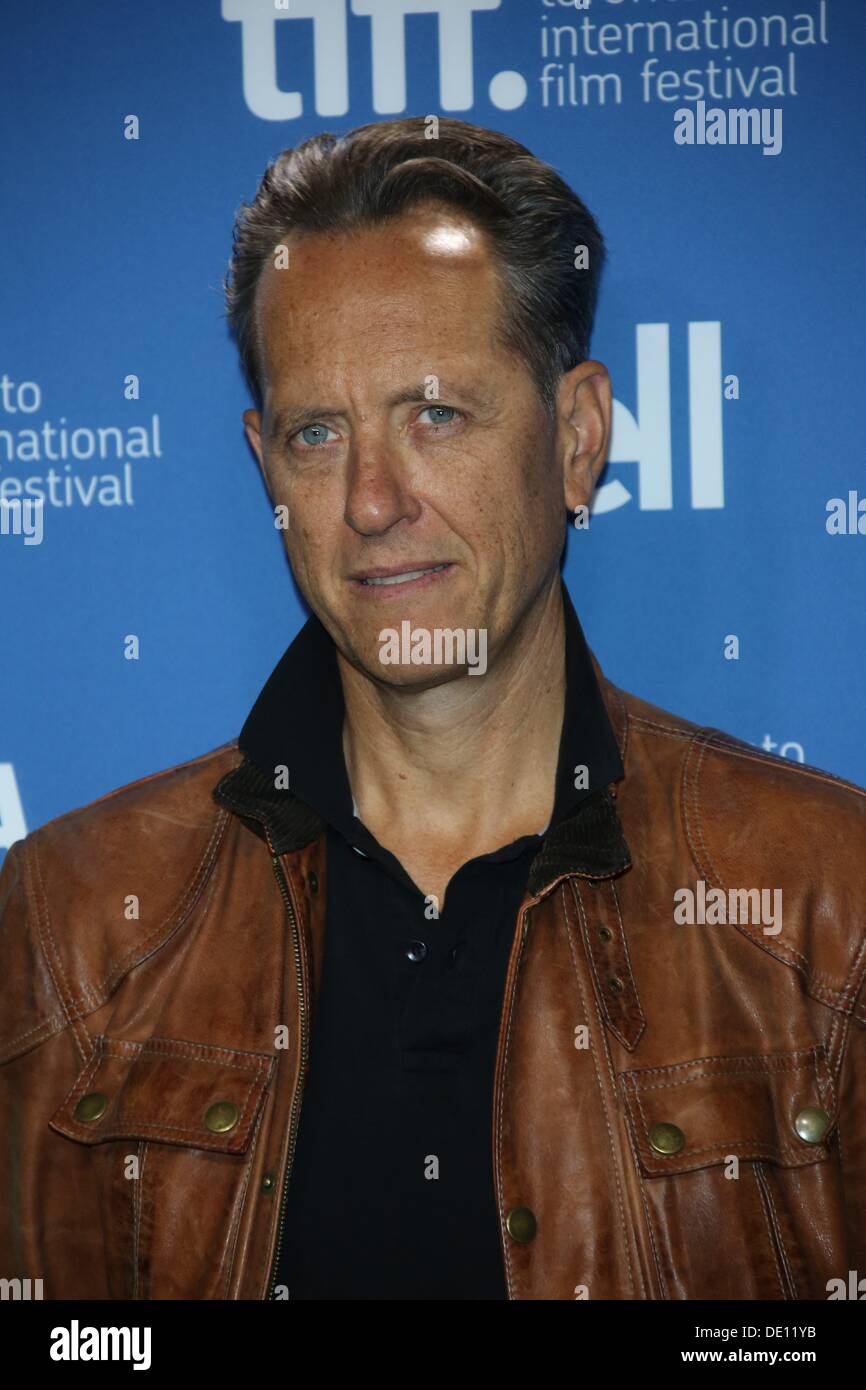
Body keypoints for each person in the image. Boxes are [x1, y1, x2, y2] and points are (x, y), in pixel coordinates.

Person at [1, 118, 863, 1301]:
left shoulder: (830, 903)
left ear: (574, 439)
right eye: (317, 433)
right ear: (267, 470)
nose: (369, 500)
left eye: (435, 416)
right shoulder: (73, 921)